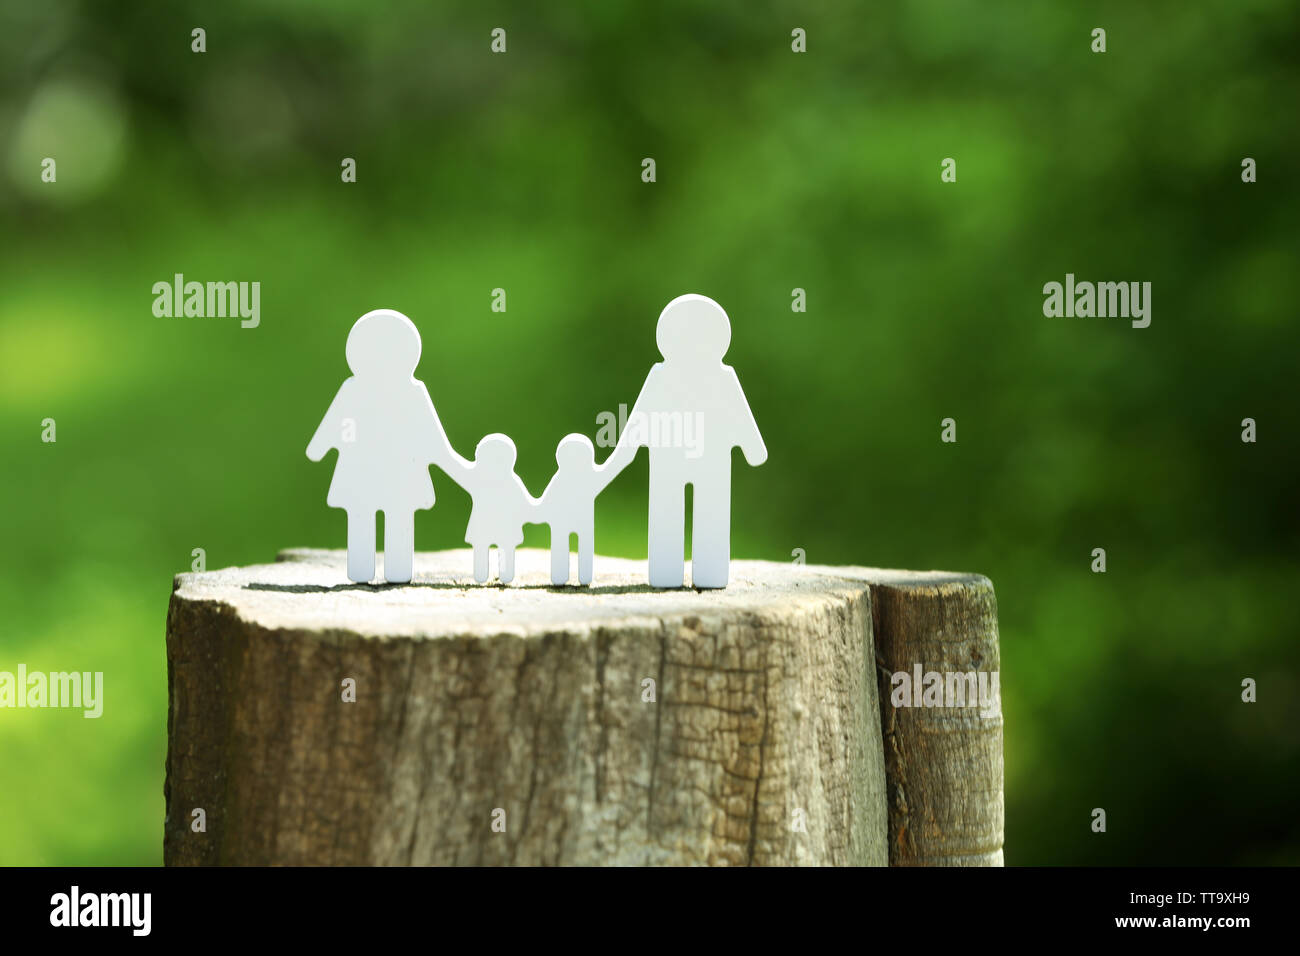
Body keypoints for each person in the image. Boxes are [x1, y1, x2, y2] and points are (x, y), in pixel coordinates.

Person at [601, 294, 766, 588]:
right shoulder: (666, 377)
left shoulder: (716, 378)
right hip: (685, 461)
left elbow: (739, 415)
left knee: (706, 512)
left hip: (698, 462)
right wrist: (753, 450)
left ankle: (701, 570)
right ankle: (672, 569)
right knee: (673, 510)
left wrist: (623, 453)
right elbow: (641, 419)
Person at [306, 309, 460, 583]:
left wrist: (321, 448)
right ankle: (366, 568)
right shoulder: (357, 390)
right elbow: (338, 425)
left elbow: (431, 437)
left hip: (379, 474)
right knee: (368, 515)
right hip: (381, 474)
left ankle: (392, 567)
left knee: (387, 515)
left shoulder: (391, 392)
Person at [440, 433, 537, 584]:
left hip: (498, 527)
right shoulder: (481, 478)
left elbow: (525, 505)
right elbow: (456, 469)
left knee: (501, 548)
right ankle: (486, 574)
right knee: (485, 547)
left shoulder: (504, 482)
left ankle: (502, 574)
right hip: (491, 527)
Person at [534, 434, 619, 585]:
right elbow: (548, 500)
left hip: (577, 522)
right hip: (565, 522)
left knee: (581, 544)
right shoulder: (564, 479)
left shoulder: (582, 478)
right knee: (564, 543)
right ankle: (563, 574)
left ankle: (579, 575)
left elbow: (609, 472)